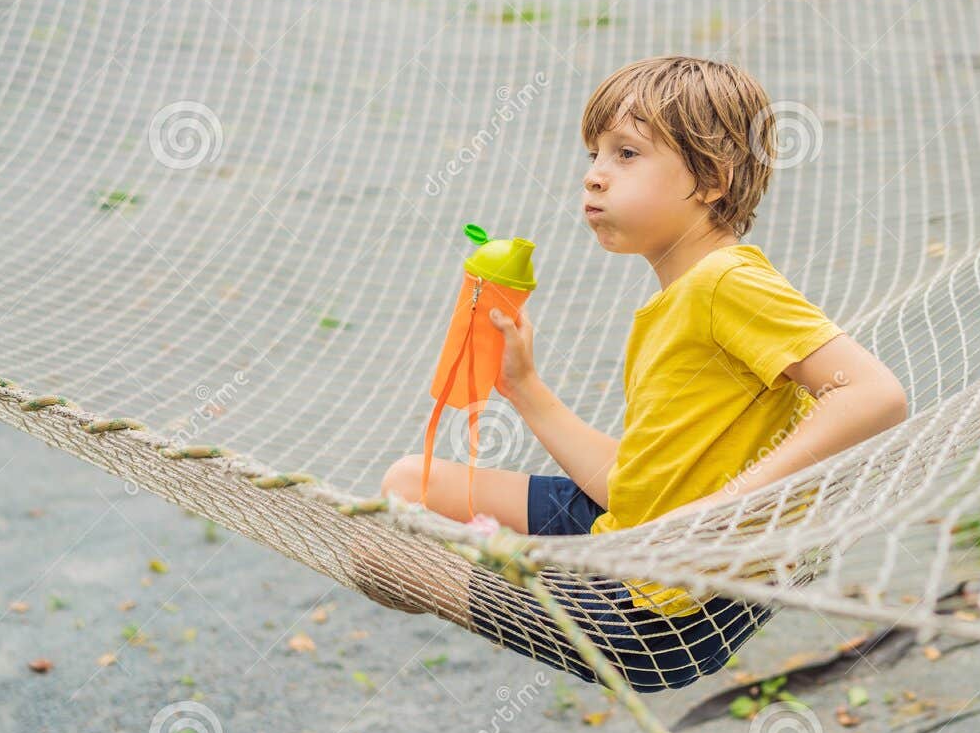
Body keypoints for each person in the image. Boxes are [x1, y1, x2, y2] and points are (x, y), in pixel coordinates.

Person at [379, 55, 909, 690]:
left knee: (381, 556)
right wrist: (524, 388)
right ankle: (513, 567)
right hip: (638, 535)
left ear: (713, 179)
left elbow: (875, 394)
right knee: (409, 484)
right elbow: (636, 482)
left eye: (626, 154)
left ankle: (511, 570)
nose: (595, 177)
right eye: (594, 155)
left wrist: (722, 510)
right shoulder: (679, 295)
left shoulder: (726, 281)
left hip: (658, 618)